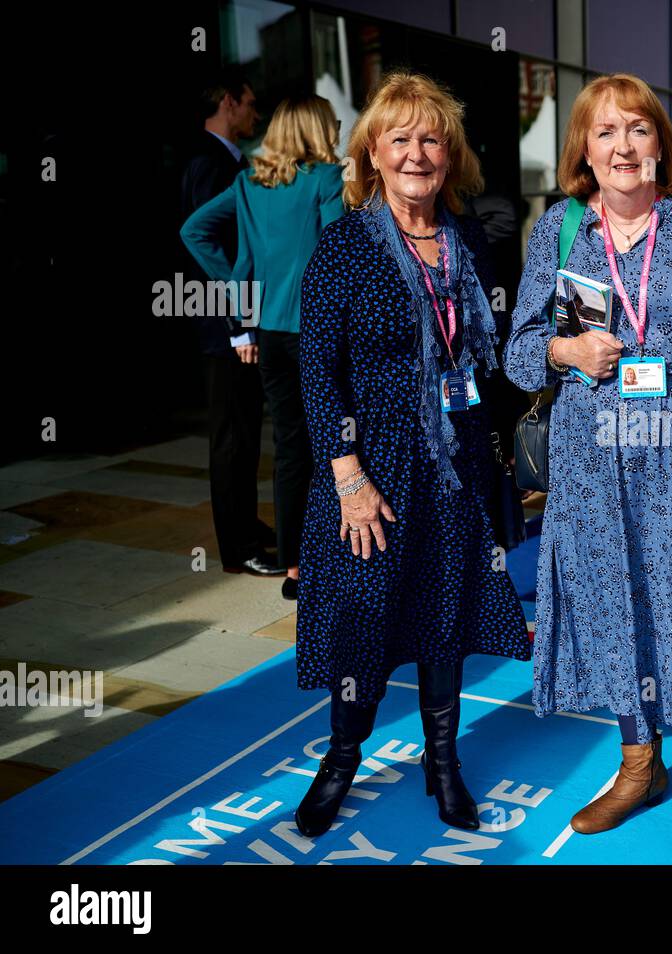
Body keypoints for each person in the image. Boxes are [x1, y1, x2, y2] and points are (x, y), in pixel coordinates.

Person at [505, 73, 672, 865]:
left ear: (662, 144)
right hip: (590, 462)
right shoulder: (558, 232)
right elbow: (517, 356)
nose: (623, 146)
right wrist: (565, 349)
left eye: (639, 130)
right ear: (584, 147)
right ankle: (637, 766)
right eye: (606, 131)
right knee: (615, 613)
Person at [292, 72, 531, 837]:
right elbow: (317, 371)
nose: (417, 153)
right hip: (372, 471)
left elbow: (486, 360)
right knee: (364, 616)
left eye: (432, 138)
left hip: (453, 463)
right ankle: (341, 758)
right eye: (400, 139)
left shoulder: (466, 243)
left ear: (450, 154)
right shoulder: (347, 244)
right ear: (372, 152)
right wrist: (348, 477)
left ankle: (442, 761)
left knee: (445, 609)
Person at [181, 95, 346, 601]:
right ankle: (334, 558)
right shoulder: (325, 179)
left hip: (269, 334)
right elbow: (337, 253)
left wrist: (238, 305)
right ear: (317, 128)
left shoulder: (251, 181)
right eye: (333, 123)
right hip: (319, 332)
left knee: (292, 449)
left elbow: (195, 232)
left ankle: (294, 566)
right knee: (336, 446)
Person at [180, 69, 278, 577]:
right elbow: (203, 243)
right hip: (226, 326)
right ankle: (239, 548)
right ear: (228, 101)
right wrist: (238, 319)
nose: (255, 113)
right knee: (232, 437)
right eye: (250, 103)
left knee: (242, 431)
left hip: (238, 319)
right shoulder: (207, 161)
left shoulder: (227, 160)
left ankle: (249, 529)